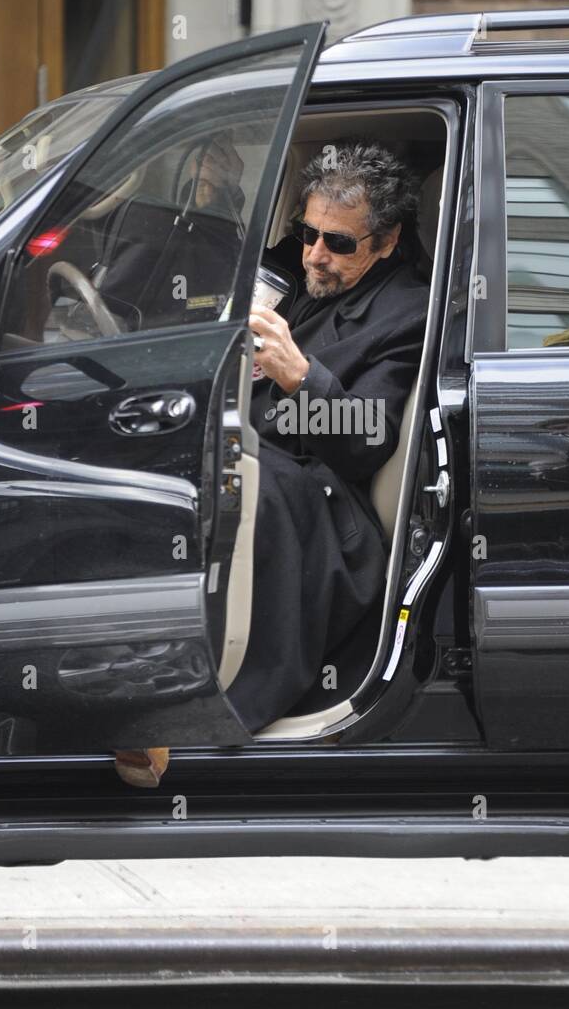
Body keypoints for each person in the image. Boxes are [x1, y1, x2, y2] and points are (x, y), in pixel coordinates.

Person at [115, 141, 430, 788]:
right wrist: (212, 193)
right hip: (237, 446)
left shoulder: (407, 314)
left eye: (339, 244)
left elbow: (368, 437)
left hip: (318, 496)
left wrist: (300, 375)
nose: (317, 255)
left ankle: (196, 716)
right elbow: (189, 268)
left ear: (386, 241)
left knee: (245, 486)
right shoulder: (288, 267)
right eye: (308, 233)